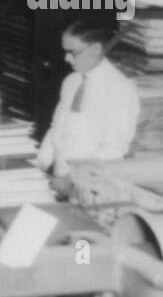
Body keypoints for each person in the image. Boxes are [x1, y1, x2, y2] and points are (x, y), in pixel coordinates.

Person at [36, 18, 141, 189]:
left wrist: (73, 182)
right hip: (59, 180)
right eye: (65, 51)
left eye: (73, 52)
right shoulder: (71, 81)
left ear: (96, 49)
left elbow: (114, 150)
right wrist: (39, 164)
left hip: (92, 186)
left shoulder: (120, 90)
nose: (66, 58)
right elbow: (56, 128)